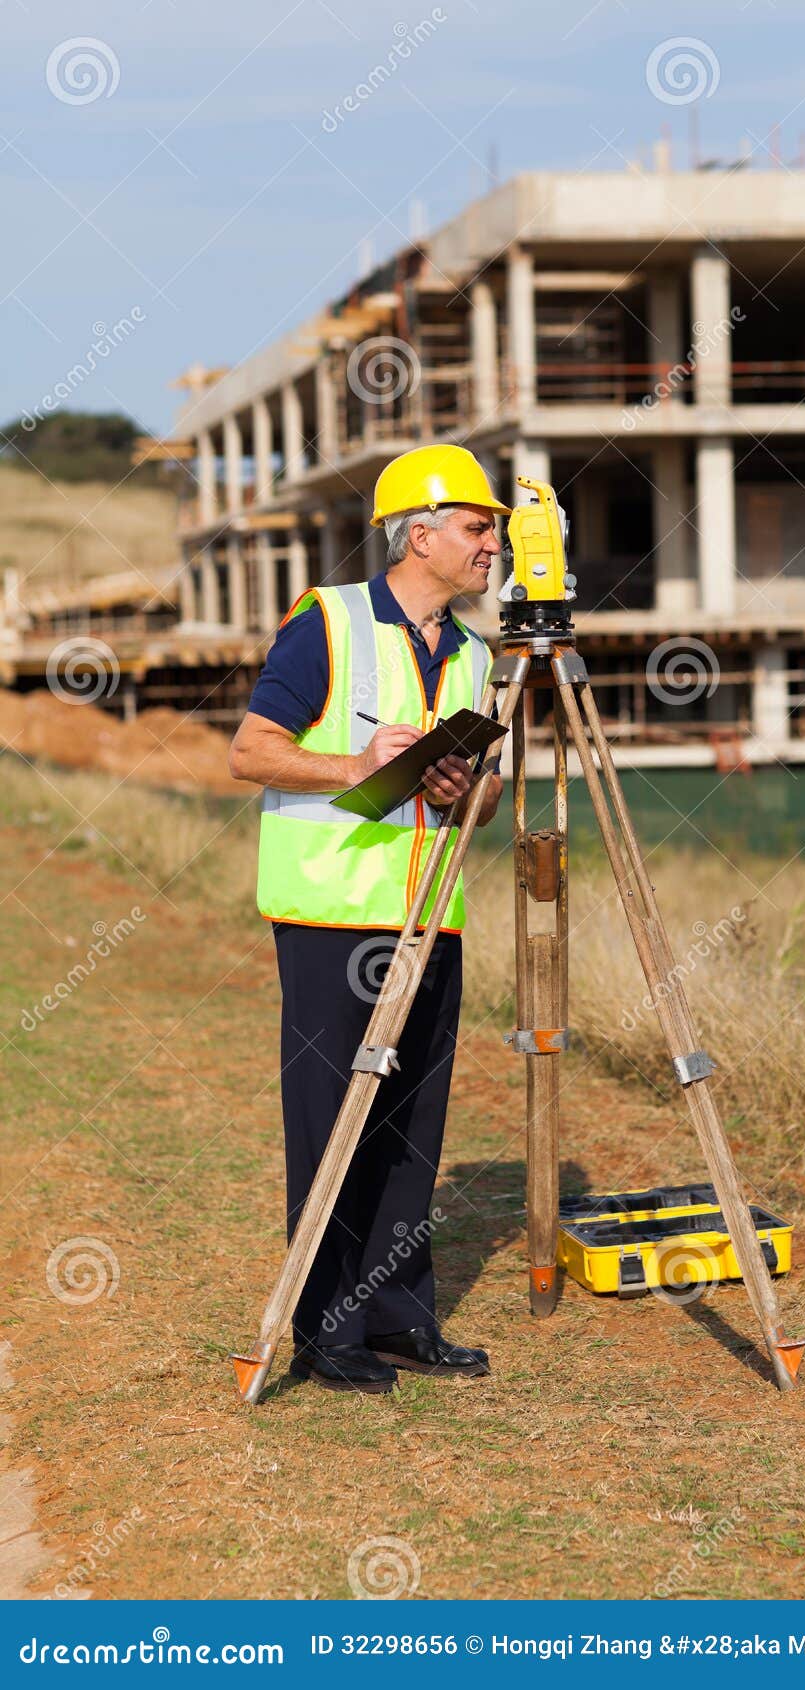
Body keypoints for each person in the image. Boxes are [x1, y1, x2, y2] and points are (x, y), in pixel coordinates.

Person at [228, 444, 508, 1393]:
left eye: (495, 529)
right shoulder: (331, 621)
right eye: (478, 527)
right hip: (330, 915)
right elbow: (250, 752)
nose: (493, 544)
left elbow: (491, 804)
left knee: (410, 1124)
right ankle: (327, 1328)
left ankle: (398, 1315)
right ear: (416, 533)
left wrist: (473, 782)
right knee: (332, 1122)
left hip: (432, 916)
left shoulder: (475, 654)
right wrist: (359, 765)